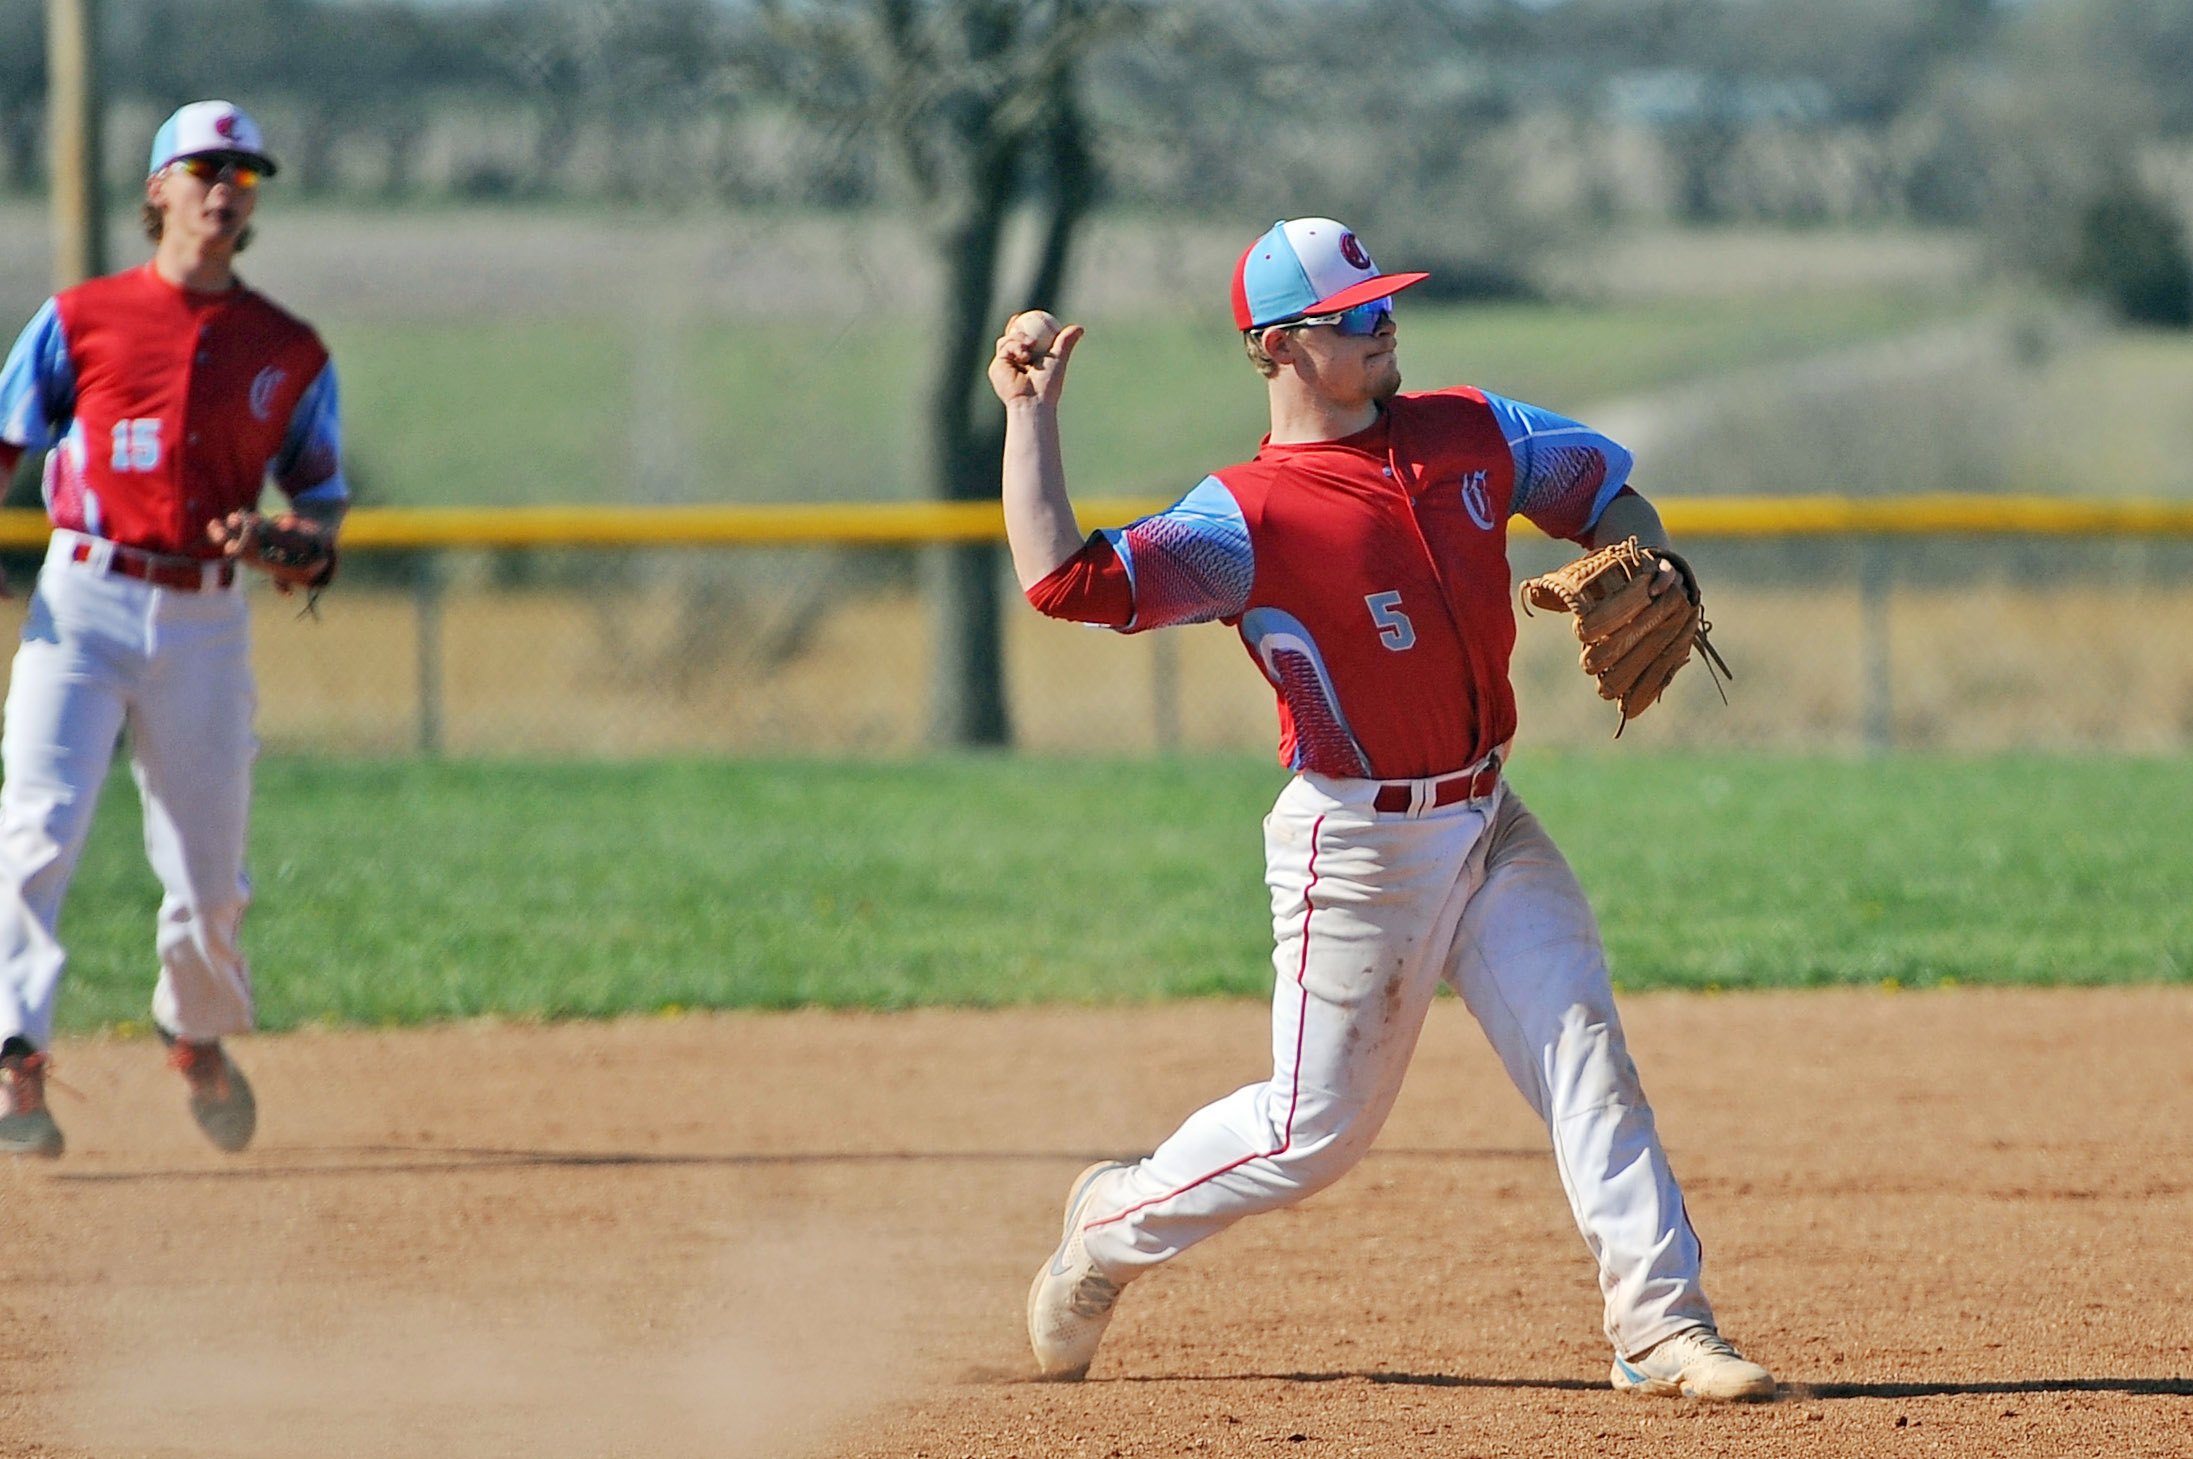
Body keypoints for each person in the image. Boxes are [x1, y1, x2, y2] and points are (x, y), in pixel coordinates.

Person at [992, 218, 1775, 1401]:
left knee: (1586, 1054)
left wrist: (1647, 558)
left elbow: (1608, 493)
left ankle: (1662, 1329)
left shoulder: (1470, 431)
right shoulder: (1244, 520)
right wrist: (1030, 414)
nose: (1384, 323)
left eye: (1386, 302)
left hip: (1491, 820)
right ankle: (1108, 1223)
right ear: (1278, 349)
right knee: (1312, 1136)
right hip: (1357, 847)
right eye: (1354, 316)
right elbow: (1066, 578)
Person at [0, 101, 346, 1158]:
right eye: (203, 168)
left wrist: (289, 543)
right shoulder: (79, 319)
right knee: (34, 833)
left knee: (208, 876)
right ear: (157, 190)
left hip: (204, 615)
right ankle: (14, 1062)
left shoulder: (287, 350)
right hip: (83, 598)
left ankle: (192, 1030)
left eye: (243, 174)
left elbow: (320, 507)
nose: (225, 188)